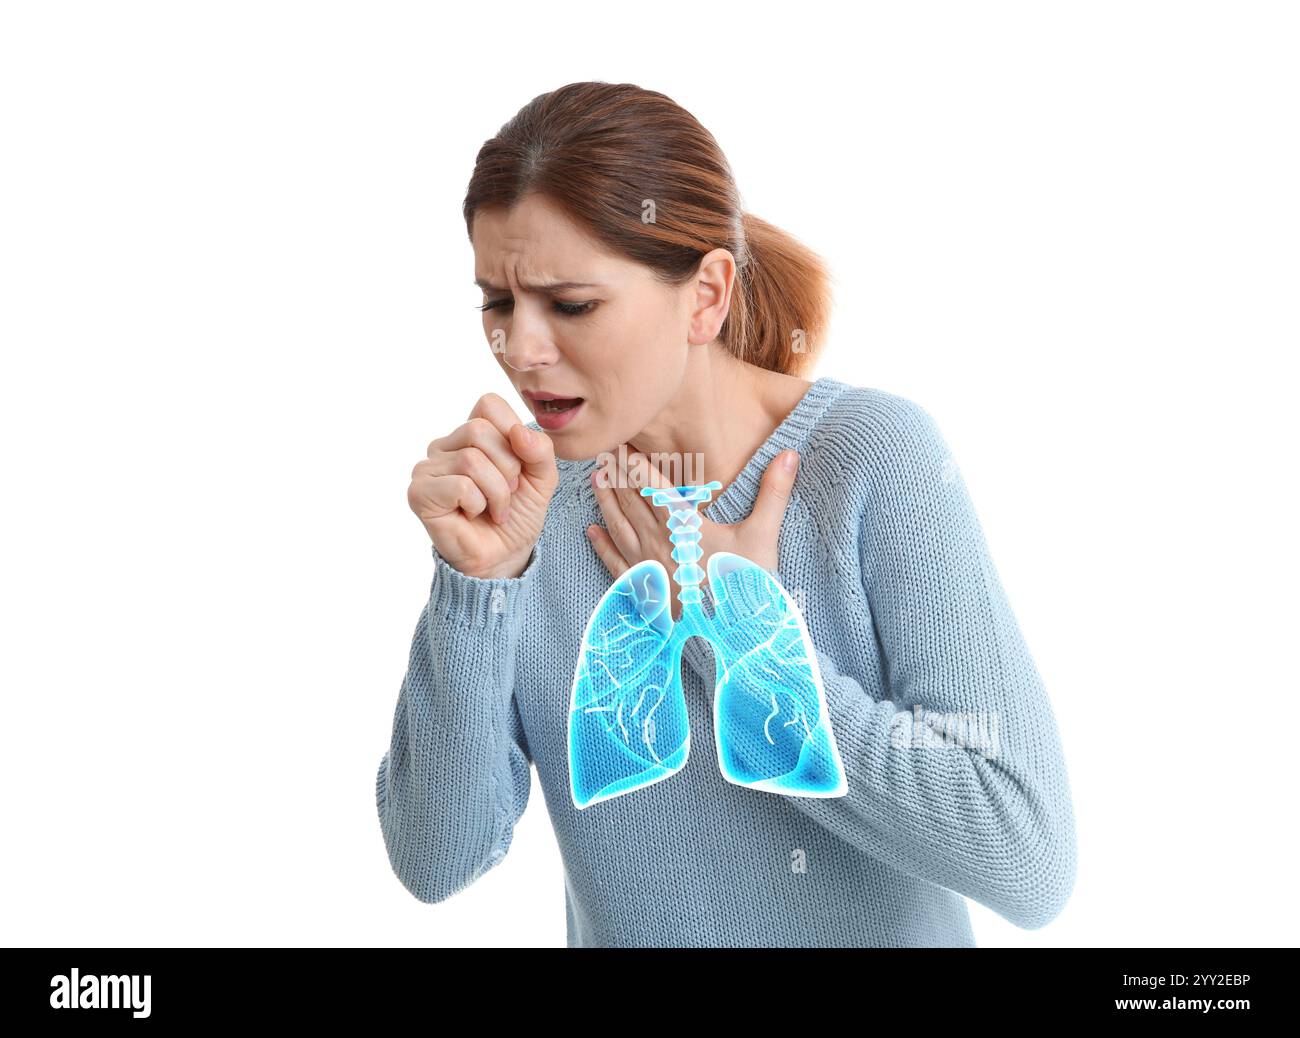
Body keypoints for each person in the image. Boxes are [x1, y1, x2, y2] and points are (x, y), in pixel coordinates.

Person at [376, 81, 1077, 947]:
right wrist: (474, 586)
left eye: (572, 305)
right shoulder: (529, 509)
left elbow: (1026, 853)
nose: (521, 348)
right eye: (498, 301)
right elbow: (436, 858)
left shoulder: (870, 461)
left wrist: (737, 627)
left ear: (706, 294)